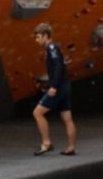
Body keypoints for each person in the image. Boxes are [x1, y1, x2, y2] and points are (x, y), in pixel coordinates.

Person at [31, 23, 76, 157]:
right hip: (65, 86)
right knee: (67, 118)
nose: (37, 40)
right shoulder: (53, 48)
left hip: (59, 87)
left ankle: (46, 143)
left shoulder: (51, 47)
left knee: (37, 113)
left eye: (38, 37)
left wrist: (53, 86)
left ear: (46, 36)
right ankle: (71, 147)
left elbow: (58, 67)